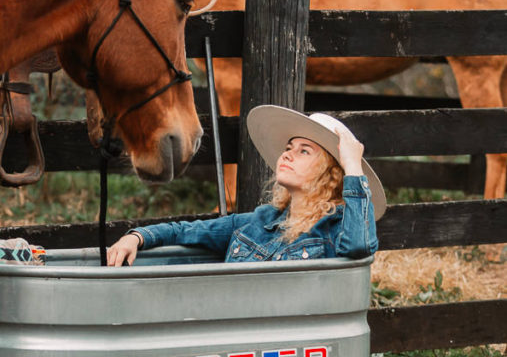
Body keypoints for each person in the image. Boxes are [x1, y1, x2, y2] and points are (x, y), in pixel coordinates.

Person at [107, 105, 386, 266]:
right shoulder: (257, 222)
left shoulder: (334, 229)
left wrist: (352, 166)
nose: (287, 153)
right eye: (288, 147)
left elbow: (359, 247)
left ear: (332, 174)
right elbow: (186, 231)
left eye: (304, 151)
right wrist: (137, 236)